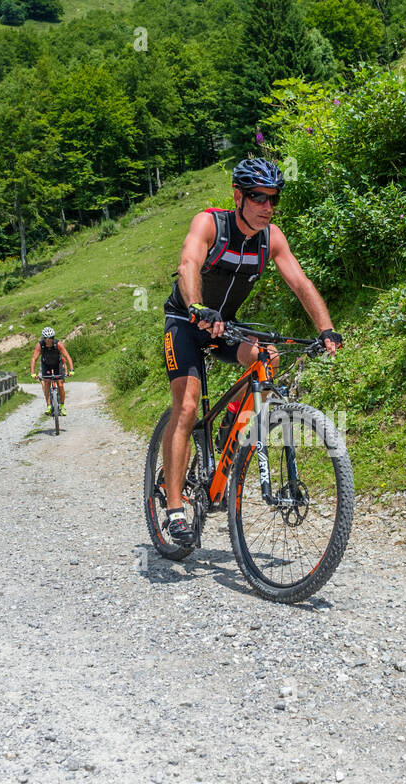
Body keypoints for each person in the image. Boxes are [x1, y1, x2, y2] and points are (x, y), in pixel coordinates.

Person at [159, 157, 343, 545]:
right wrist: (196, 307)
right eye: (259, 197)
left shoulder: (271, 238)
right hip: (186, 321)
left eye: (273, 199)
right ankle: (175, 507)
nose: (267, 207)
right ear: (239, 196)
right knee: (187, 406)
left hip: (226, 325)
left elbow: (300, 282)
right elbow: (189, 263)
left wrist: (325, 329)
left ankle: (230, 428)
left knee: (267, 357)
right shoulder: (210, 223)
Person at [29, 327, 73, 414]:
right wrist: (32, 372)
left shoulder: (58, 344)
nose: (49, 340)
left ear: (53, 338)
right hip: (46, 365)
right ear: (43, 338)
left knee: (60, 384)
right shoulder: (40, 345)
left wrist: (71, 369)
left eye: (51, 338)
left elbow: (67, 356)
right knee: (47, 384)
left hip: (57, 364)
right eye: (47, 338)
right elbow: (34, 358)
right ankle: (49, 406)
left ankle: (62, 406)